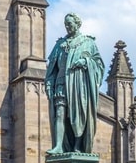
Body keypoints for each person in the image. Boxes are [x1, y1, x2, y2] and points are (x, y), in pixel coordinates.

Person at [45, 13, 105, 154]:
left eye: (70, 24)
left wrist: (85, 62)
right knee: (60, 114)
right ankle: (59, 146)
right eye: (65, 24)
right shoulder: (60, 44)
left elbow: (99, 64)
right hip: (61, 83)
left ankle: (78, 146)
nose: (67, 27)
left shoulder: (88, 43)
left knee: (77, 115)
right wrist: (49, 83)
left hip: (79, 86)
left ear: (77, 24)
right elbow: (52, 69)